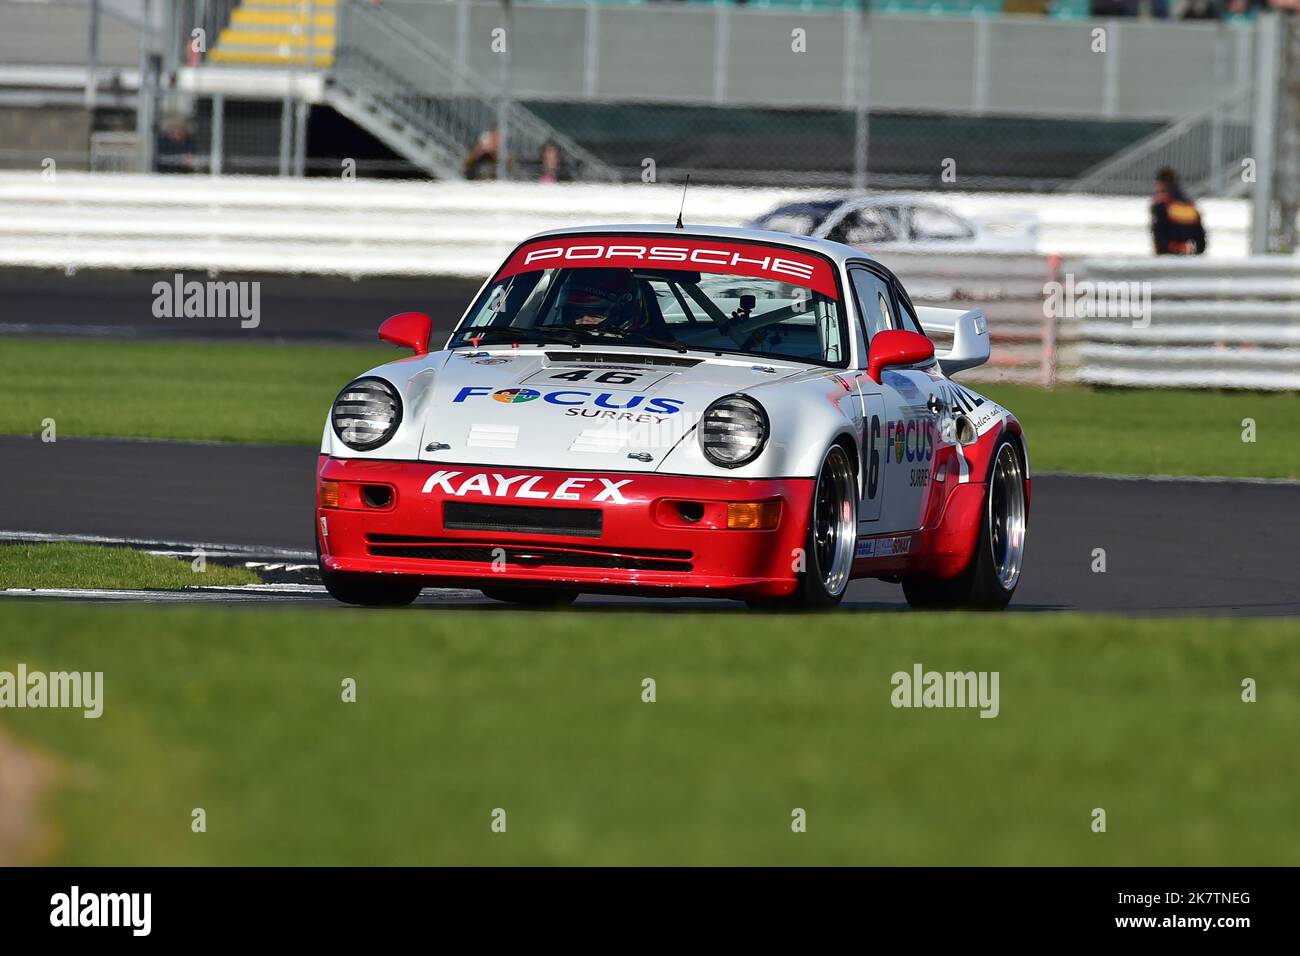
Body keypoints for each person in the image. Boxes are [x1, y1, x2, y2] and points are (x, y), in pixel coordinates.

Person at [1151, 167, 1207, 256]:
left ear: (1161, 183)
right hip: (1188, 253)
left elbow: (1159, 233)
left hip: (1169, 253)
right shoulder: (1190, 205)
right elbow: (1201, 238)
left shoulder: (1162, 204)